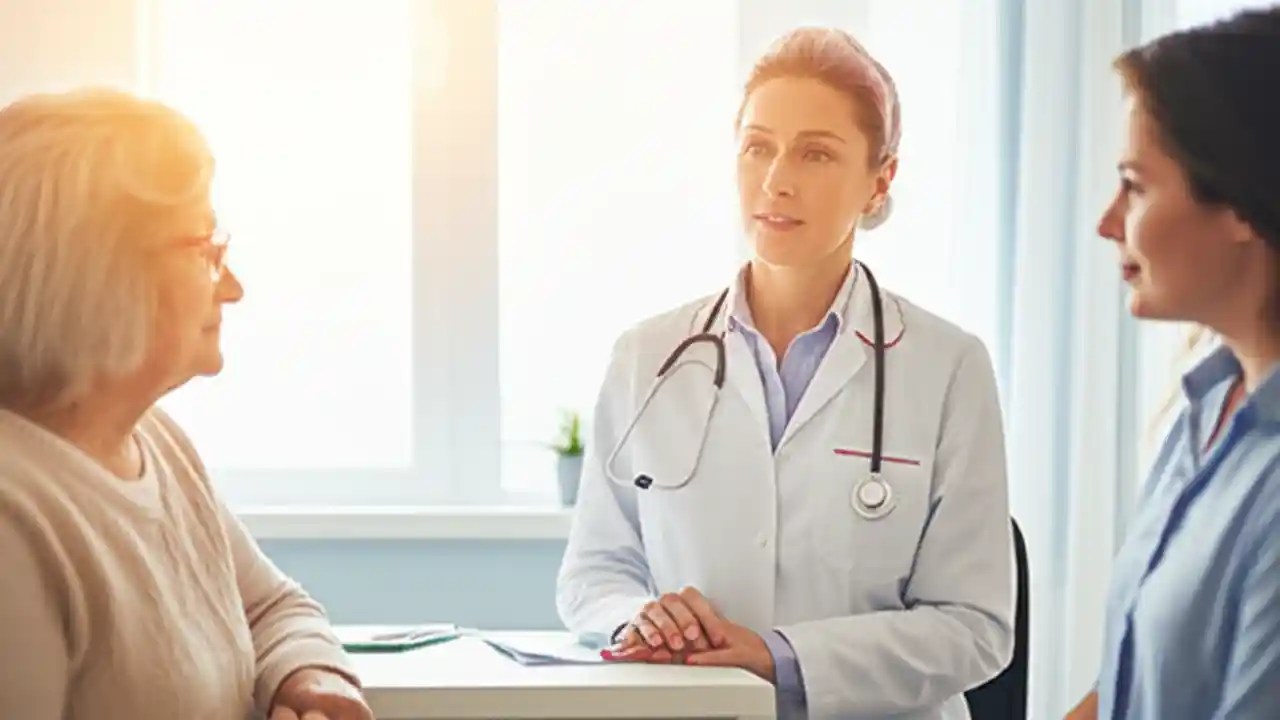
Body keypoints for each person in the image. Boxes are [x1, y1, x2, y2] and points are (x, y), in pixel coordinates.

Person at [557, 27, 1015, 719]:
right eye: (757, 147)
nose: (776, 179)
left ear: (880, 180)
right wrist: (639, 620)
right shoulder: (646, 357)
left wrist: (777, 656)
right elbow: (595, 573)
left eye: (816, 153)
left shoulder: (949, 367)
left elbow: (974, 626)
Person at [0, 89, 373, 720]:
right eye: (207, 252)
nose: (233, 288)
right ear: (103, 271)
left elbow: (271, 608)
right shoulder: (15, 514)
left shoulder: (156, 441)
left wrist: (307, 676)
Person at [1065, 7, 1280, 720]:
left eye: (1136, 184)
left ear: (1242, 202)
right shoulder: (1207, 408)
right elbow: (1130, 686)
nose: (1107, 222)